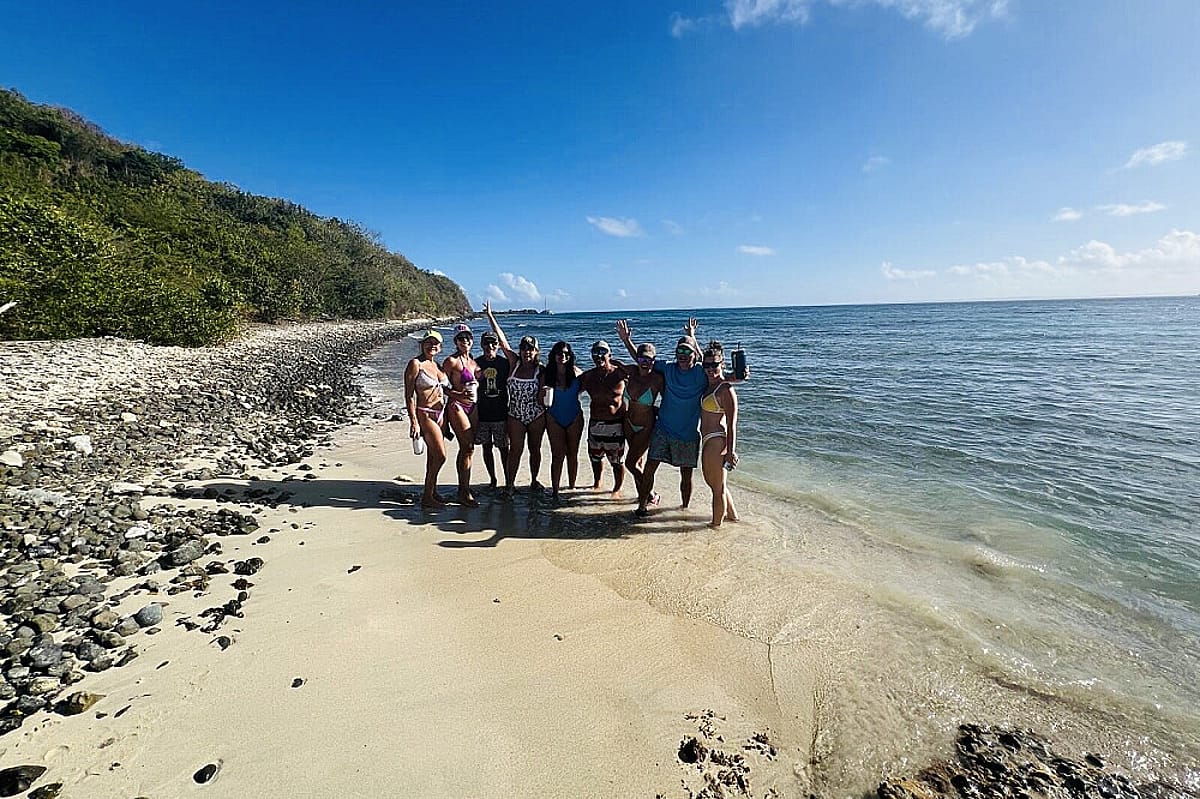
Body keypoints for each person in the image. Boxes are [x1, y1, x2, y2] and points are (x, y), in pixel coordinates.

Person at [616, 317, 708, 516]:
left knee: (686, 475)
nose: (682, 355)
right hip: (663, 429)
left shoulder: (702, 374)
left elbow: (717, 371)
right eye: (680, 351)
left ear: (694, 355)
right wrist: (626, 340)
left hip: (688, 433)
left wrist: (693, 337)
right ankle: (642, 507)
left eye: (687, 351)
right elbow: (642, 360)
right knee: (649, 468)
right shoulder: (668, 368)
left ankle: (684, 510)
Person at [483, 300, 546, 497]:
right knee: (515, 450)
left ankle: (534, 480)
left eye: (531, 349)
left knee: (535, 449)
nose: (527, 352)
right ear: (520, 350)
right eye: (524, 348)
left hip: (536, 414)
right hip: (515, 414)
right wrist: (491, 317)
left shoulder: (541, 369)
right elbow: (502, 342)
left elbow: (566, 372)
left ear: (536, 351)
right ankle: (510, 485)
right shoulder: (514, 363)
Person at [404, 329, 451, 508]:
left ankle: (431, 492)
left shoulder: (438, 366)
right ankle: (427, 496)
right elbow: (409, 396)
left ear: (440, 347)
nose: (432, 346)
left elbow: (446, 390)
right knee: (441, 456)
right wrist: (413, 421)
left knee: (432, 457)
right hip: (425, 413)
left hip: (441, 414)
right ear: (422, 344)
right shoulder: (415, 364)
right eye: (428, 342)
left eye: (435, 343)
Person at [578, 339, 628, 496]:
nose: (598, 356)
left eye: (602, 352)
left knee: (617, 462)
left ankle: (617, 489)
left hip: (616, 425)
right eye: (595, 353)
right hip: (595, 424)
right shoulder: (587, 377)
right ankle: (597, 484)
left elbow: (640, 378)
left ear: (609, 355)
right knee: (595, 458)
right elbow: (568, 390)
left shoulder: (620, 373)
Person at [699, 341, 740, 528]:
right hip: (708, 440)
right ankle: (733, 517)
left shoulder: (725, 390)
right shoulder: (710, 384)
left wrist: (731, 452)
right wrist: (692, 336)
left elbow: (732, 425)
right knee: (717, 484)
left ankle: (715, 527)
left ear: (723, 364)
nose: (710, 369)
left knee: (717, 487)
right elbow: (702, 357)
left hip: (717, 440)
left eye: (714, 365)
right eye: (706, 365)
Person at [620, 341, 665, 506]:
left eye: (649, 359)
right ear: (636, 360)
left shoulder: (657, 379)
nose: (645, 363)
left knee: (630, 463)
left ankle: (651, 493)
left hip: (645, 426)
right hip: (628, 423)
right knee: (637, 463)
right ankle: (642, 496)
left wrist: (658, 411)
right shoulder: (631, 372)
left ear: (654, 360)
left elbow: (669, 401)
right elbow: (611, 366)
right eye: (641, 359)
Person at [442, 323, 480, 507]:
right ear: (455, 342)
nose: (465, 341)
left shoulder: (473, 361)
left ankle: (464, 486)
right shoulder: (451, 361)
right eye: (461, 338)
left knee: (469, 449)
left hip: (473, 406)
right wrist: (456, 395)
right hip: (457, 406)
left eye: (468, 337)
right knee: (467, 446)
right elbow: (441, 385)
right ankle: (463, 491)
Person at [543, 340, 583, 499]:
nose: (562, 356)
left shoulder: (577, 373)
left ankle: (572, 488)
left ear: (570, 356)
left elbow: (594, 387)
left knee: (573, 454)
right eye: (559, 353)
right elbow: (540, 398)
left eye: (566, 353)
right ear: (553, 356)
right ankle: (555, 491)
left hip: (574, 417)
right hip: (554, 417)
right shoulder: (547, 374)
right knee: (557, 455)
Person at [473, 329, 510, 490]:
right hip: (482, 414)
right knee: (486, 448)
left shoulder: (504, 363)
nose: (490, 346)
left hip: (501, 414)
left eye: (493, 343)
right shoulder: (476, 363)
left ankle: (509, 480)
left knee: (504, 449)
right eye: (486, 342)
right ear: (481, 345)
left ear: (498, 345)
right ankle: (493, 479)